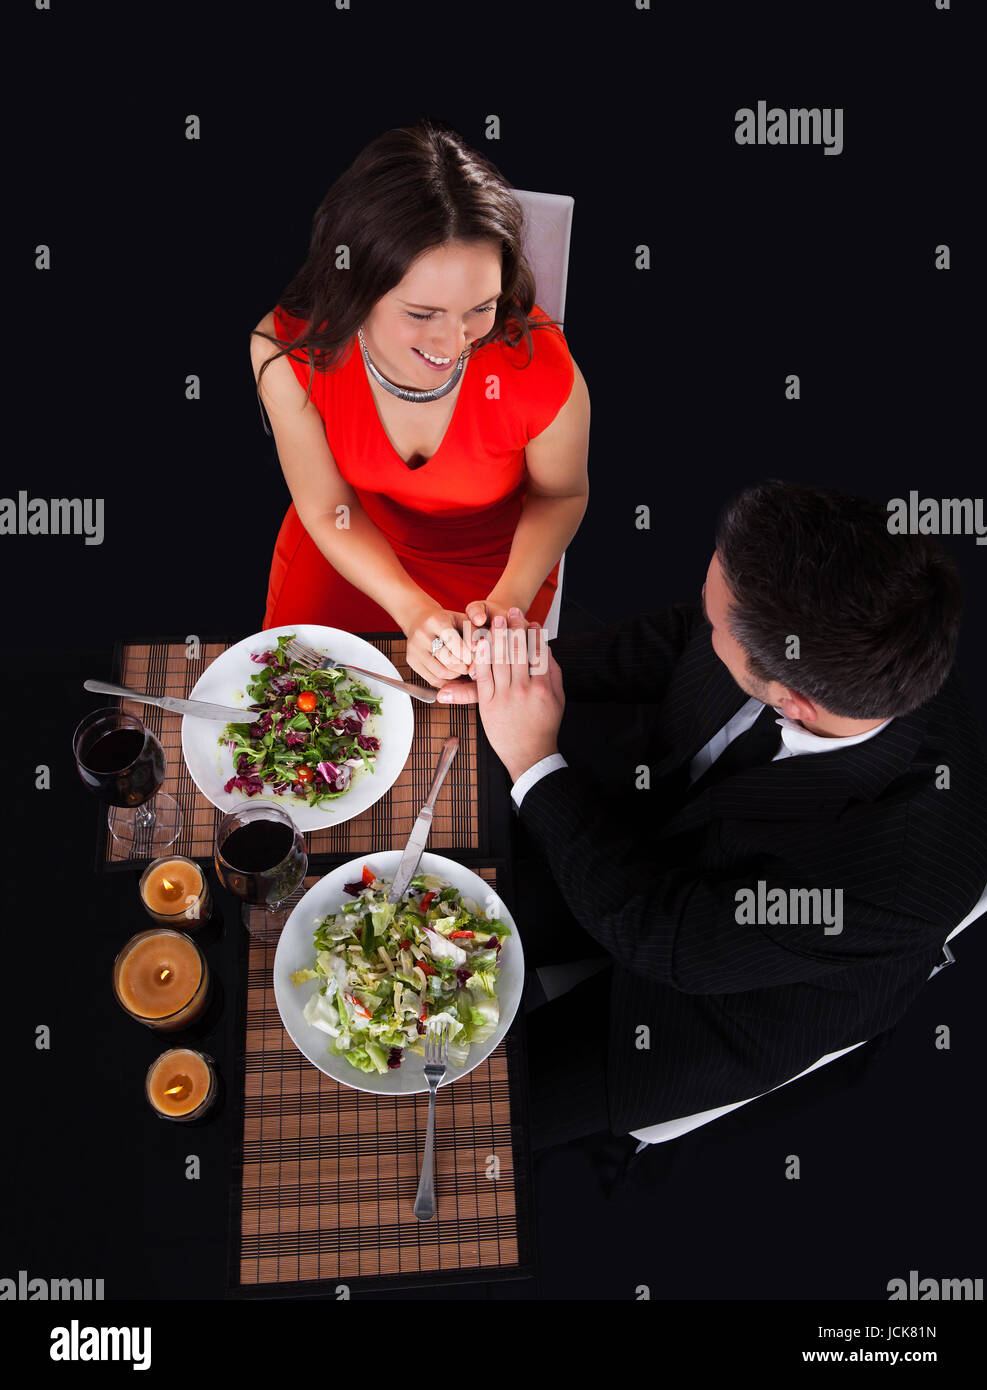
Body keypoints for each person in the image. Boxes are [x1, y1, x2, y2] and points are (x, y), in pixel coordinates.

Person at [438, 482, 987, 1148]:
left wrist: (532, 758)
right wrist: (526, 670)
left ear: (792, 701)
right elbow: (683, 636)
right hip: (653, 832)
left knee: (450, 1115)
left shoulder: (904, 879)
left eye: (716, 617)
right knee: (430, 909)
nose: (701, 611)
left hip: (716, 1003)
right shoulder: (847, 637)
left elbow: (666, 942)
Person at [250, 121, 590, 687]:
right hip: (351, 537)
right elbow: (325, 504)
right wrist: (411, 609)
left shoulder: (542, 369)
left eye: (479, 308)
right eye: (421, 313)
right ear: (356, 284)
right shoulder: (287, 352)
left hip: (497, 569)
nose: (454, 342)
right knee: (291, 705)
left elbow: (562, 494)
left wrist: (504, 609)